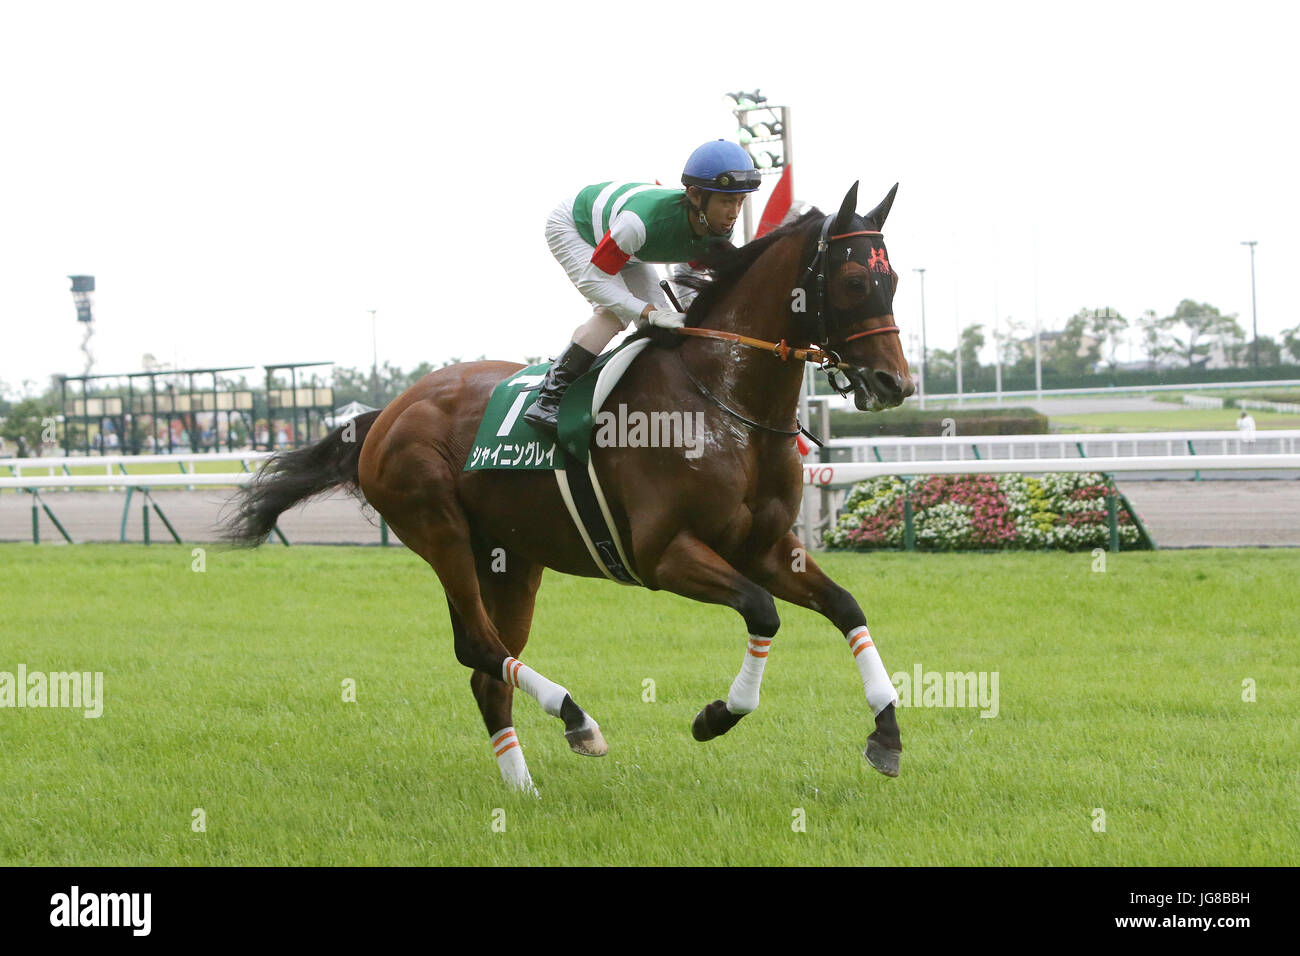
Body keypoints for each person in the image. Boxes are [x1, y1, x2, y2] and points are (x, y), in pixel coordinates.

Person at [523, 139, 761, 437]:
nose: (734, 212)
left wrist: (686, 312)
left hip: (631, 248)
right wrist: (646, 311)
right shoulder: (639, 223)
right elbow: (592, 280)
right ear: (696, 195)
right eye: (727, 201)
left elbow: (688, 268)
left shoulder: (717, 225)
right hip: (577, 228)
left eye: (740, 201)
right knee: (615, 313)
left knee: (662, 323)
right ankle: (550, 397)